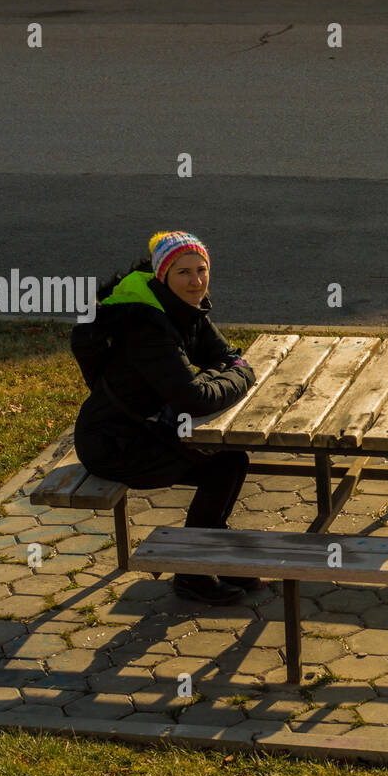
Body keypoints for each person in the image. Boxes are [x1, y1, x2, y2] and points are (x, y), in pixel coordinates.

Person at [72, 230, 258, 605]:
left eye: (201, 270)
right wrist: (242, 373)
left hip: (147, 429)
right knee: (223, 468)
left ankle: (211, 554)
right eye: (183, 273)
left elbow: (222, 355)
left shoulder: (184, 307)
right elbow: (196, 397)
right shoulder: (148, 326)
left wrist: (227, 369)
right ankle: (193, 575)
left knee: (229, 462)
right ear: (163, 276)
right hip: (114, 444)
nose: (196, 281)